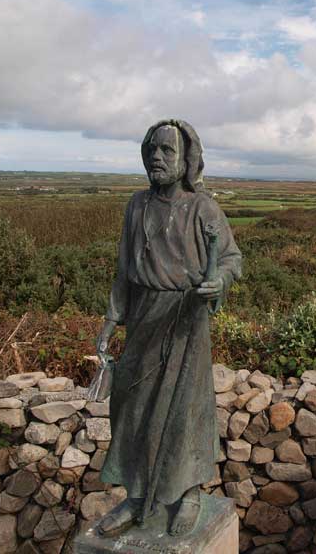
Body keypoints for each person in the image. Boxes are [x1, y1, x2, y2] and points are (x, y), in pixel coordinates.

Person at [93, 119, 242, 537]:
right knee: (132, 407)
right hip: (142, 317)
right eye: (152, 150)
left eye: (167, 151)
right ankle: (137, 496)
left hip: (185, 321)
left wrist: (219, 281)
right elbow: (124, 268)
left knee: (185, 411)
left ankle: (189, 494)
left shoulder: (203, 208)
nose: (157, 157)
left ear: (186, 160)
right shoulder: (136, 206)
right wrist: (111, 319)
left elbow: (231, 258)